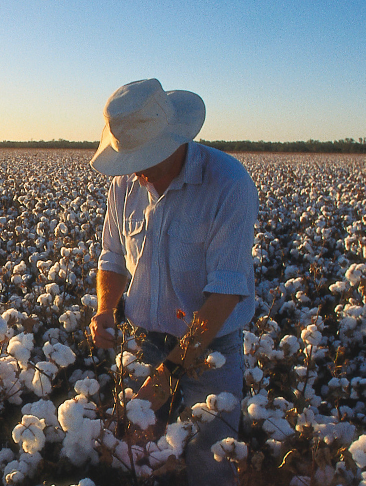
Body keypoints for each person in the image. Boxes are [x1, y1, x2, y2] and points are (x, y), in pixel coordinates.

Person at [89, 78, 258, 484]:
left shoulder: (228, 183)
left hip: (211, 350)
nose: (137, 171)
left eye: (145, 158)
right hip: (144, 341)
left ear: (174, 140)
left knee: (210, 462)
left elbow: (226, 291)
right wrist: (105, 309)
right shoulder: (124, 183)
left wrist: (168, 377)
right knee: (141, 456)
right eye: (131, 159)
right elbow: (112, 256)